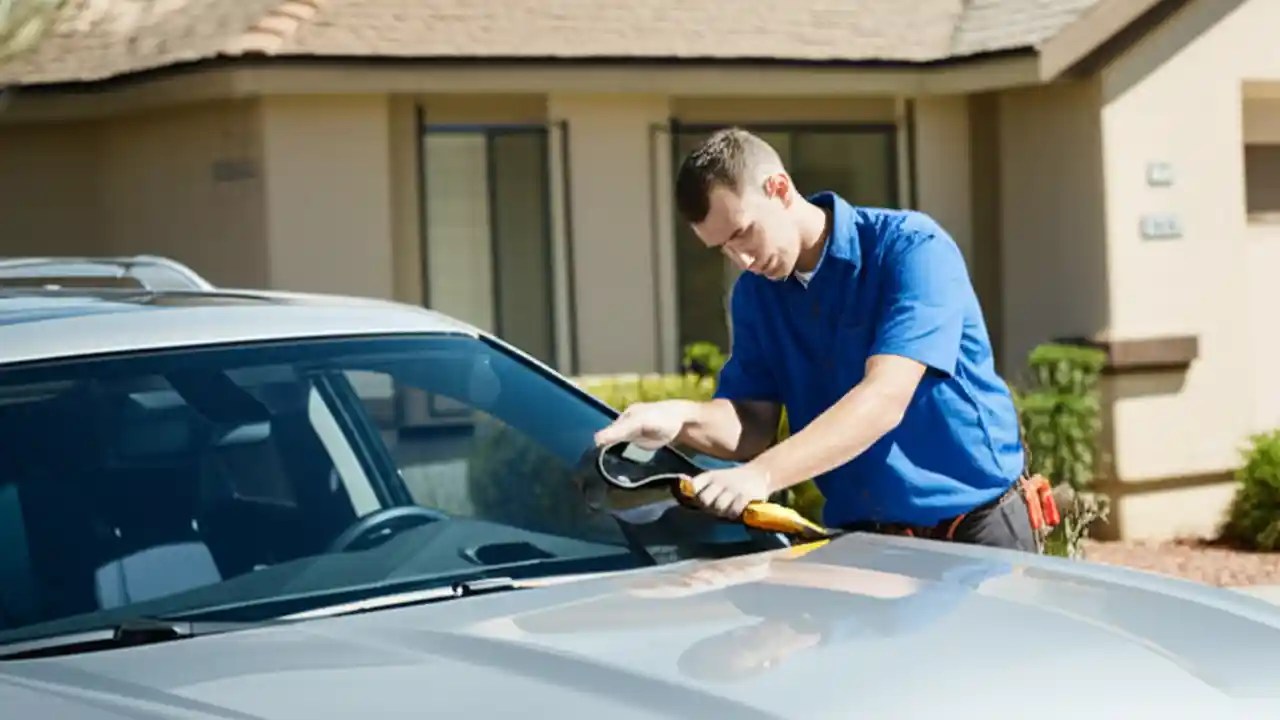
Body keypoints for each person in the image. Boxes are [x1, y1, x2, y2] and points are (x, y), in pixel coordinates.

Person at [593, 127, 1040, 552]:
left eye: (743, 232)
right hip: (867, 541)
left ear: (780, 189)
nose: (742, 259)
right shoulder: (754, 296)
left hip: (979, 527)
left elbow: (884, 399)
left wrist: (760, 477)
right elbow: (751, 422)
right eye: (723, 249)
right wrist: (680, 418)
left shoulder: (911, 249)